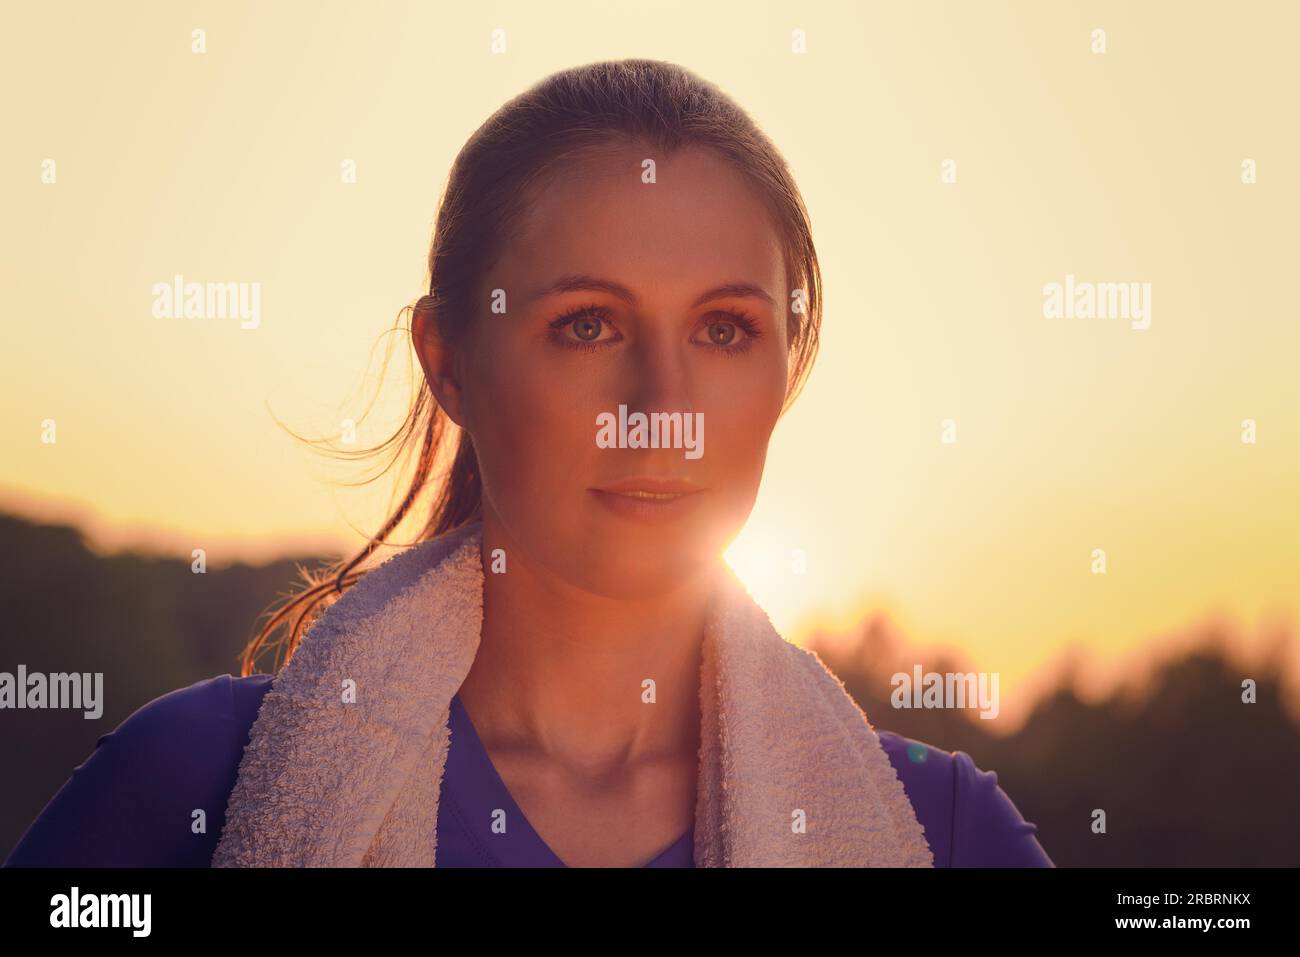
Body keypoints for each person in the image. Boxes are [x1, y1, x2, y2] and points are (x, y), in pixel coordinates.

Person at [4, 58, 1052, 869]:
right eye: (589, 325)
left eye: (725, 331)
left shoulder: (940, 831)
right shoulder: (195, 783)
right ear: (450, 364)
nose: (663, 409)